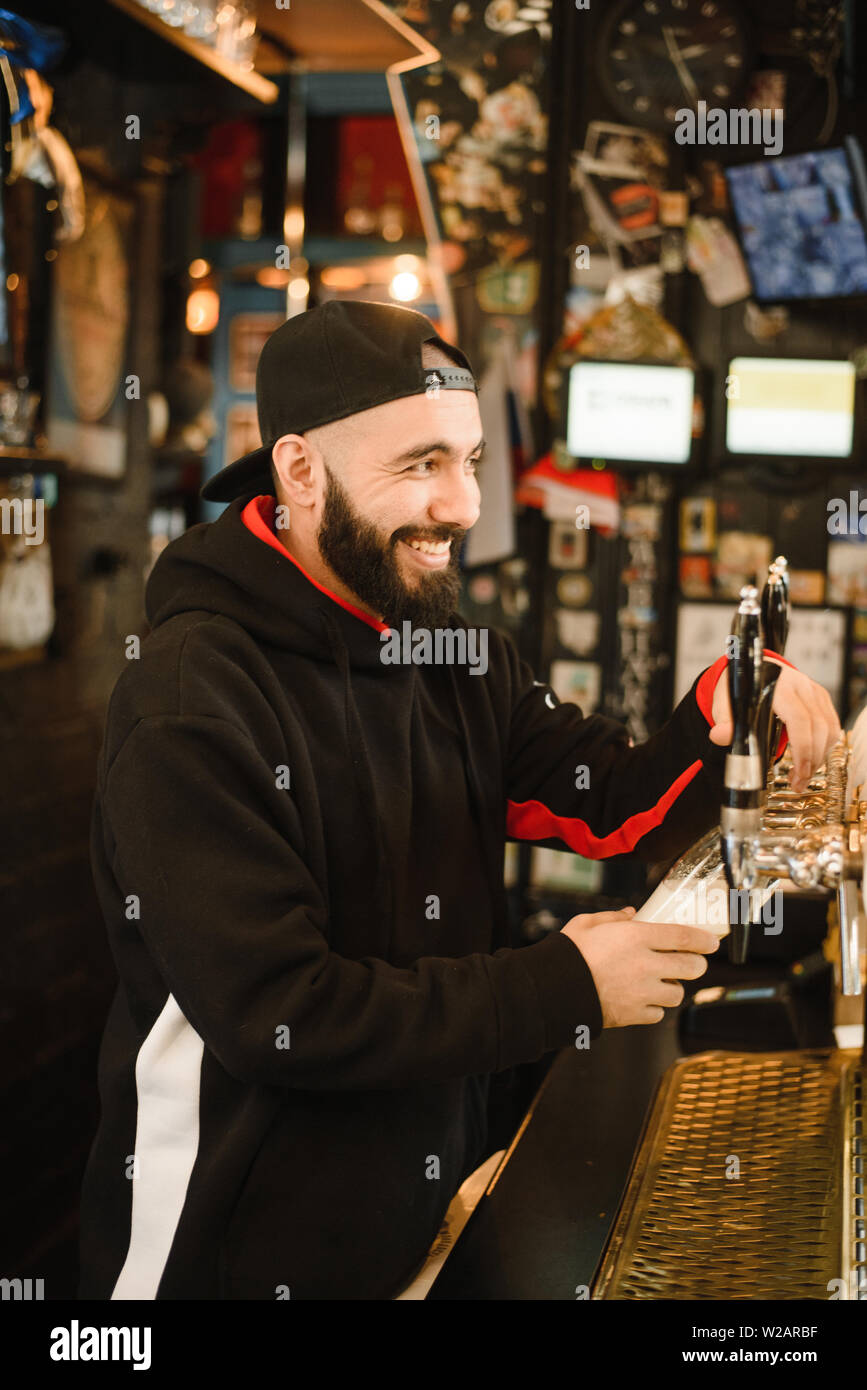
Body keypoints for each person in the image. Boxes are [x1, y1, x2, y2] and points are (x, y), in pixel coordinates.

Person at [78, 300, 840, 1301]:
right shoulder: (190, 698)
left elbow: (610, 803)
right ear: (300, 471)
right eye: (422, 464)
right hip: (223, 1256)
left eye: (472, 460)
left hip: (422, 1227)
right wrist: (566, 986)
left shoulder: (453, 655)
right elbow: (281, 1014)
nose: (464, 505)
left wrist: (733, 702)